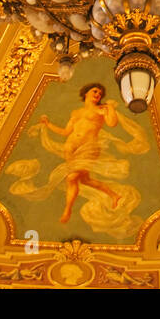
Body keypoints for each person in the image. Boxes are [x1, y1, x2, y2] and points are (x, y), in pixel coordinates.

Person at [38, 84, 124, 223]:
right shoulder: (76, 112)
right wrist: (48, 124)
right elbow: (65, 132)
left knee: (71, 177)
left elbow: (112, 123)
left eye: (100, 93)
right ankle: (114, 195)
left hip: (89, 147)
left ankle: (67, 209)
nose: (98, 94)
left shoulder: (102, 110)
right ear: (86, 93)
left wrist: (111, 107)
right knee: (85, 180)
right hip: (71, 148)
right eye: (95, 91)